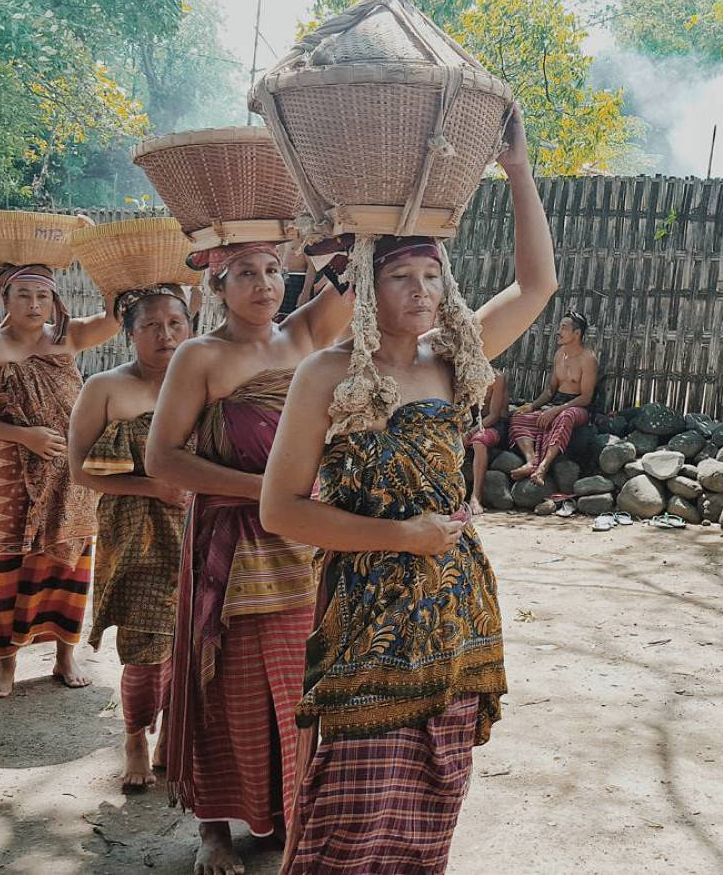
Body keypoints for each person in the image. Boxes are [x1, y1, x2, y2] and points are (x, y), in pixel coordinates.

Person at [260, 110, 557, 873]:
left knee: (432, 796)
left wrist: (517, 171)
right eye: (402, 277)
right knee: (354, 801)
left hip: (454, 603)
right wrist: (403, 535)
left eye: (432, 276)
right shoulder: (328, 375)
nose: (422, 291)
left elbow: (537, 283)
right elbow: (281, 507)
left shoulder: (456, 359)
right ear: (368, 285)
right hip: (368, 605)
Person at [145, 241, 351, 875]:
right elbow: (163, 460)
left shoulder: (306, 332)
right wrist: (265, 490)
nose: (264, 286)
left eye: (271, 271)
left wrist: (327, 236)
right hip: (234, 549)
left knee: (301, 682)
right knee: (225, 683)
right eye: (245, 274)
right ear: (217, 286)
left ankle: (290, 809)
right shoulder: (200, 356)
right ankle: (214, 827)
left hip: (305, 539)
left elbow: (360, 281)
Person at [0, 264, 121, 699]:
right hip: (12, 470)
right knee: (13, 563)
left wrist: (113, 273)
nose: (33, 305)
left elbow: (116, 316)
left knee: (73, 562)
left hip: (71, 469)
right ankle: (6, 664)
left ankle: (65, 657)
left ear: (54, 300)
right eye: (23, 295)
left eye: (42, 296)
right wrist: (22, 435)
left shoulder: (67, 336)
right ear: (5, 299)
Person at [67, 286, 192, 792]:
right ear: (130, 332)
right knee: (143, 644)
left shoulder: (206, 382)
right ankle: (136, 734)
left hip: (197, 527)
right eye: (151, 326)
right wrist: (151, 488)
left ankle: (174, 733)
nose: (165, 335)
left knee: (189, 640)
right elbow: (79, 471)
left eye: (175, 324)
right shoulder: (104, 387)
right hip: (135, 534)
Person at [507, 310, 597, 486]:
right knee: (519, 416)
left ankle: (542, 468)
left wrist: (556, 410)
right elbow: (550, 389)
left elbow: (586, 397)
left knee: (565, 416)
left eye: (564, 328)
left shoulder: (588, 359)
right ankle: (531, 461)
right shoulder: (559, 355)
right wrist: (533, 406)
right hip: (556, 403)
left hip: (578, 407)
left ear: (577, 333)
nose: (558, 331)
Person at [466, 368, 507, 515]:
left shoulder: (497, 377)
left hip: (493, 425)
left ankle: (476, 497)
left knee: (478, 441)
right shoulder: (463, 372)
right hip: (471, 423)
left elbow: (494, 416)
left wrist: (470, 433)